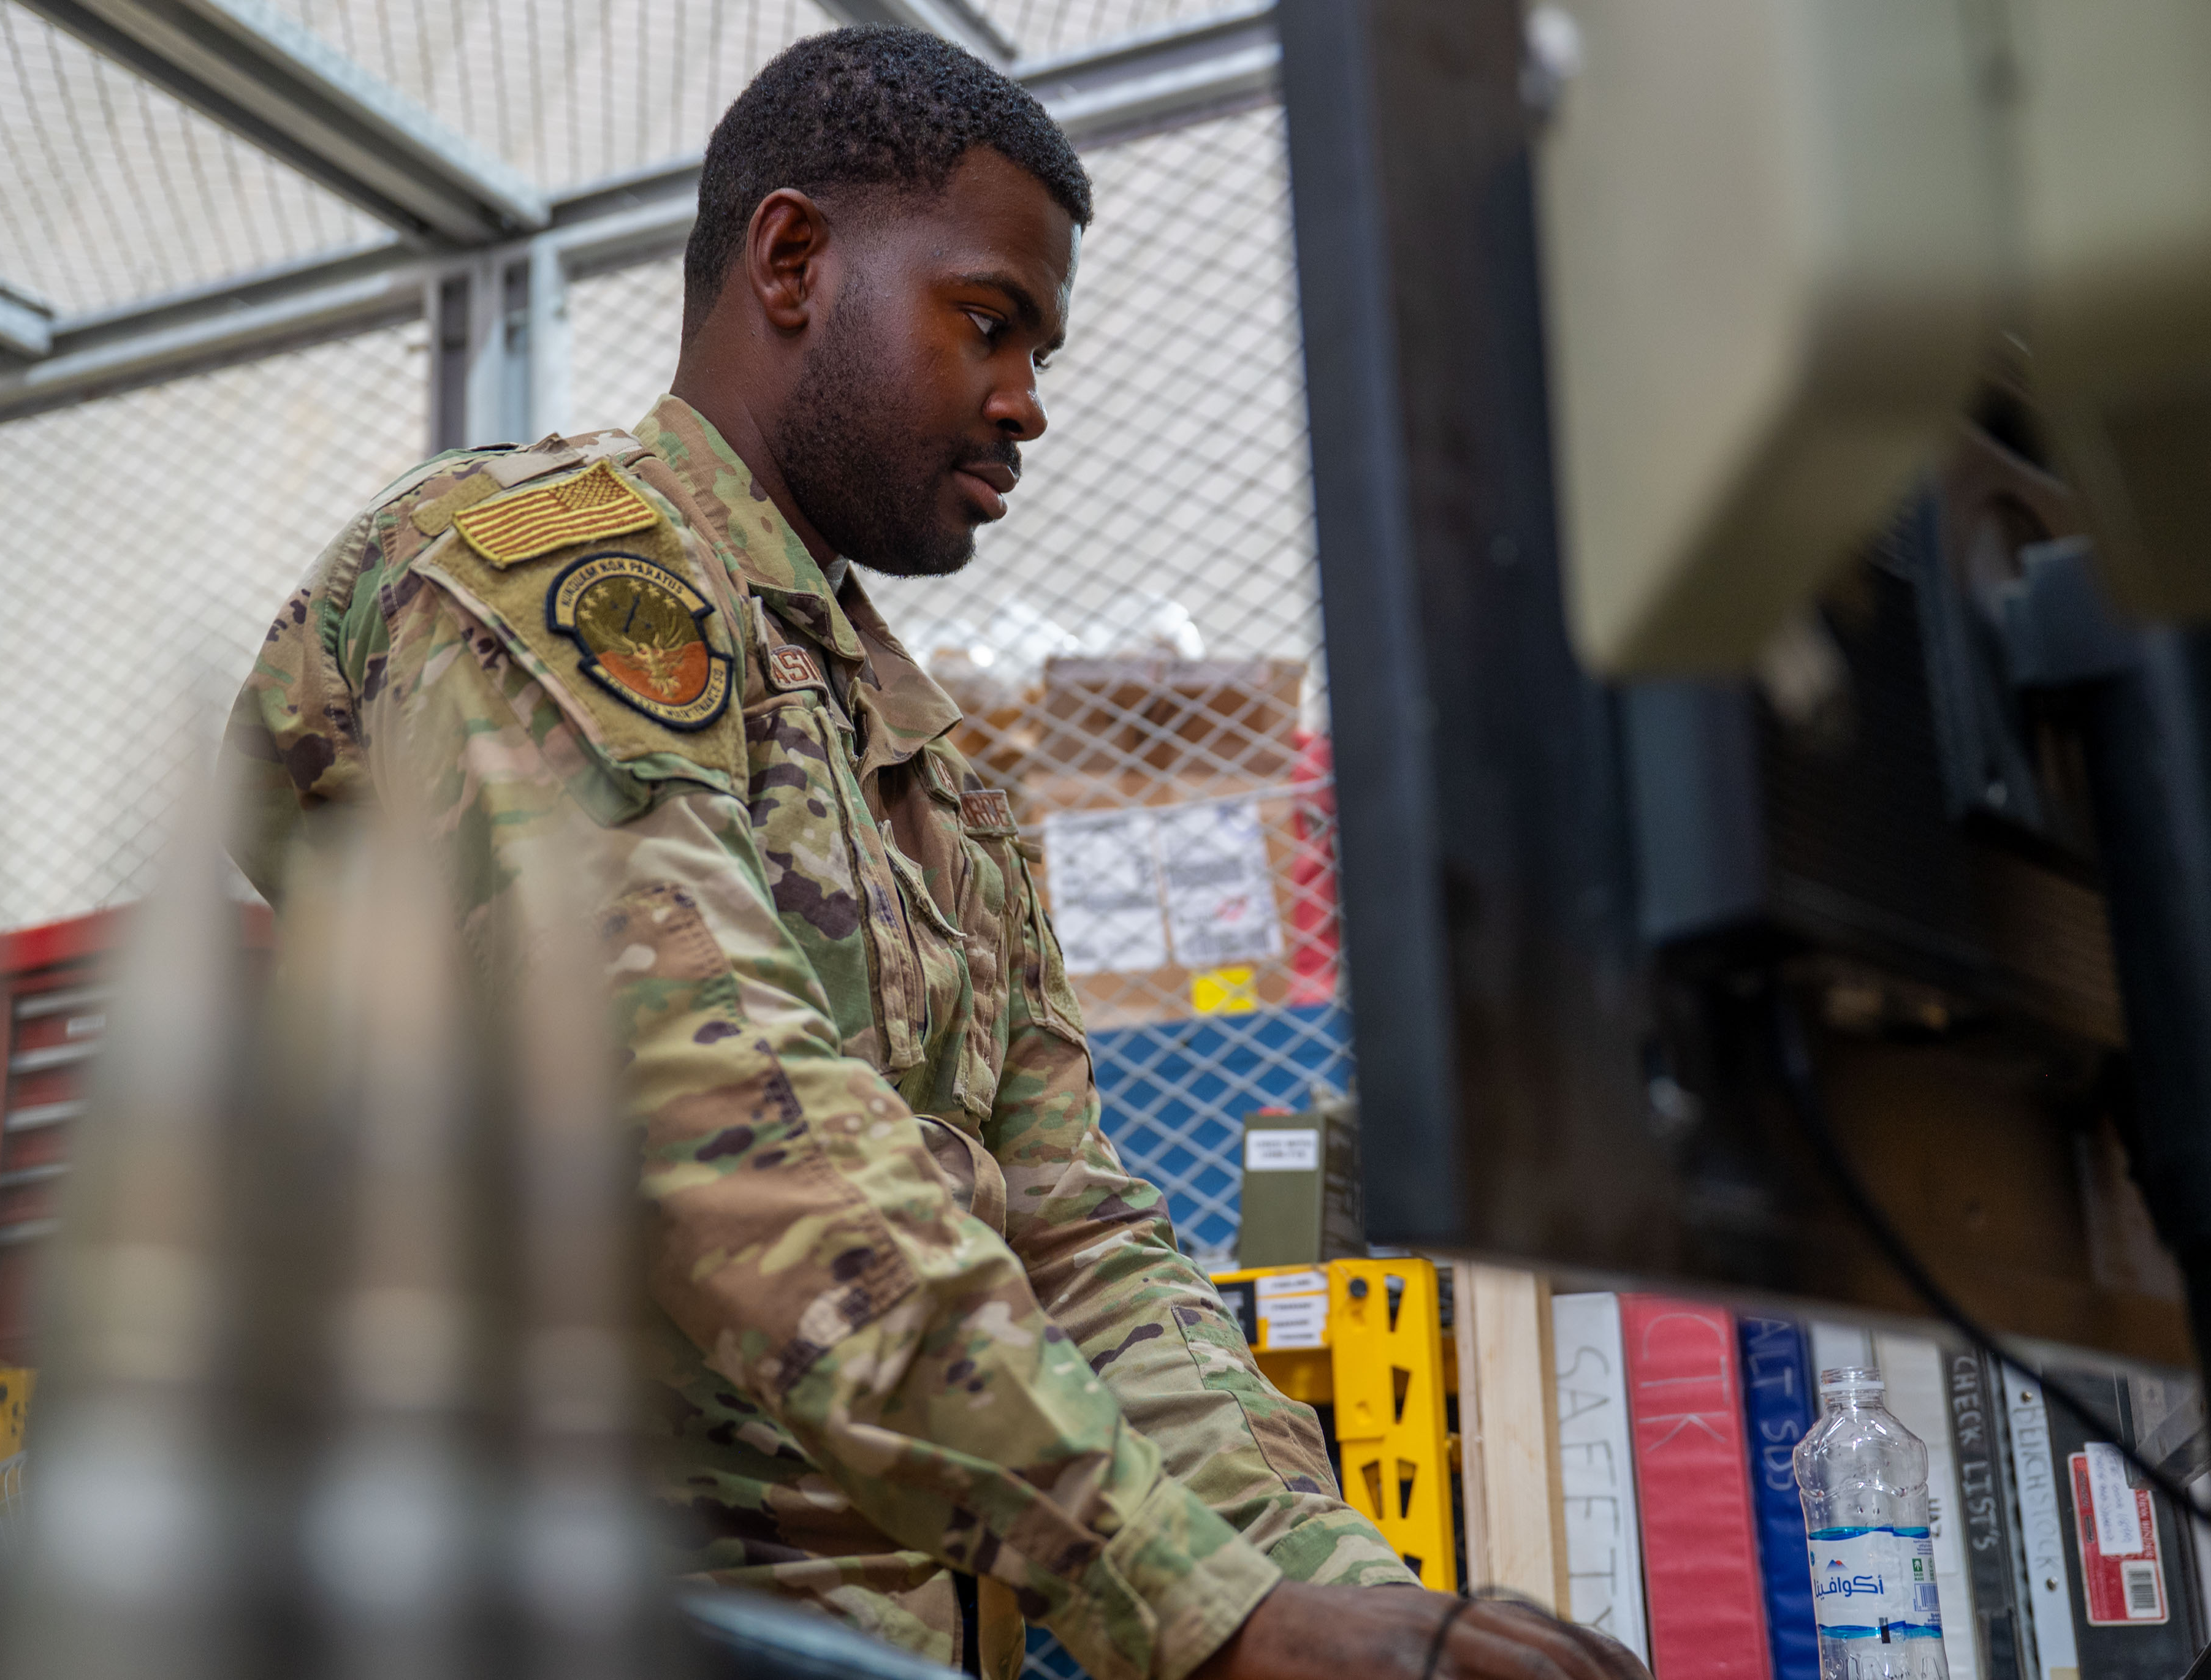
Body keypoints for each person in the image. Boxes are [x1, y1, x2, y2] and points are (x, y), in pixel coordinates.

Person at [224, 26, 1646, 1680]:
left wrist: (1350, 1595)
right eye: (988, 321)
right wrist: (1195, 1601)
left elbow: (1073, 1235)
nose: (1025, 402)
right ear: (794, 259)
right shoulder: (538, 576)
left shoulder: (929, 768)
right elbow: (708, 1104)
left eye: (1040, 347)